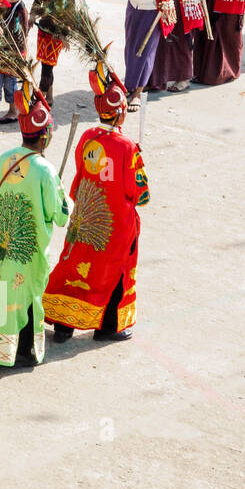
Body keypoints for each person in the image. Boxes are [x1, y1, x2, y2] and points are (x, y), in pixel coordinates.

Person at [0, 88, 72, 368]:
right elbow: (60, 215)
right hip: (27, 248)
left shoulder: (5, 158)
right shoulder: (45, 171)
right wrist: (64, 199)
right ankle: (22, 351)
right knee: (23, 295)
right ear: (45, 135)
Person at [44, 63, 149, 343]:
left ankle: (64, 324)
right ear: (121, 113)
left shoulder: (88, 137)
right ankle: (108, 327)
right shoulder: (128, 148)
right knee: (115, 272)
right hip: (115, 224)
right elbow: (142, 194)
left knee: (74, 264)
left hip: (86, 217)